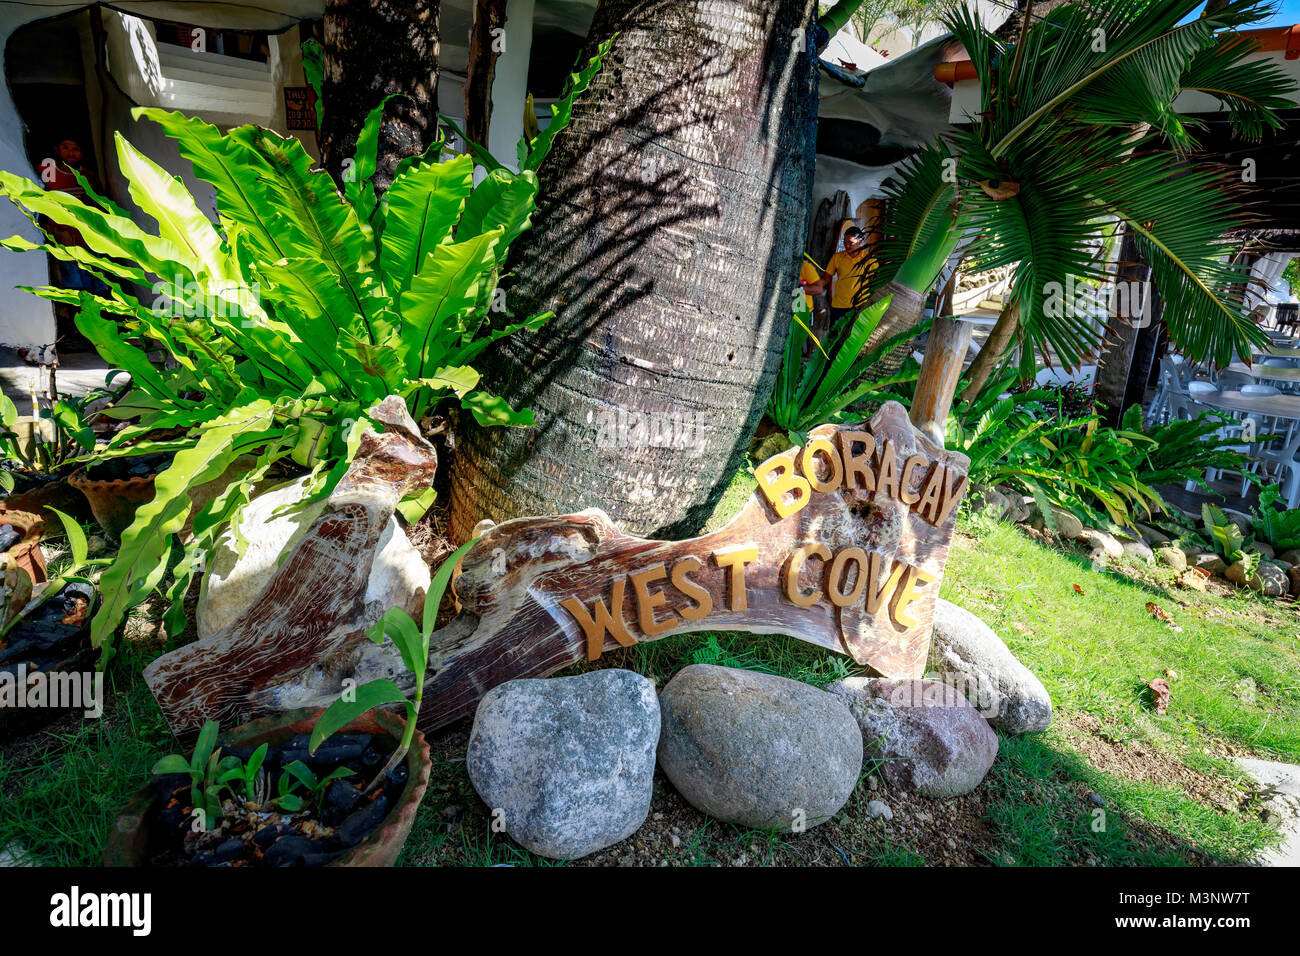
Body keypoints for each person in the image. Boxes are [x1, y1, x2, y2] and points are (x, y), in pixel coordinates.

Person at [820, 225, 878, 324]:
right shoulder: (837, 257)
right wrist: (813, 285)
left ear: (859, 241)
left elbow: (876, 283)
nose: (847, 245)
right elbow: (826, 278)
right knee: (835, 337)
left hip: (860, 306)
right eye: (845, 242)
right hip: (839, 306)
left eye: (850, 243)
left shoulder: (870, 260)